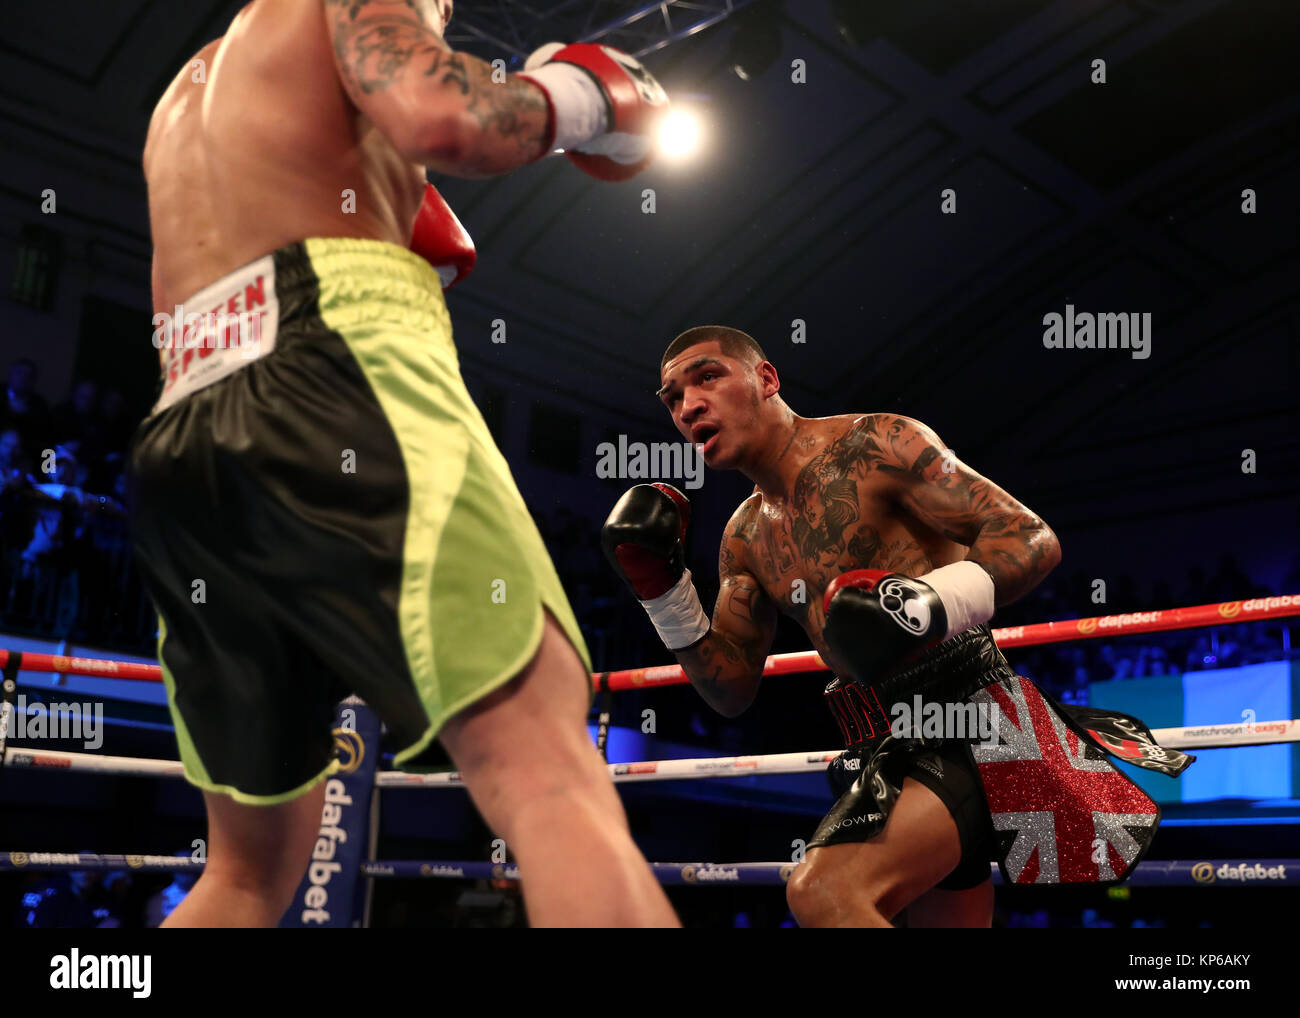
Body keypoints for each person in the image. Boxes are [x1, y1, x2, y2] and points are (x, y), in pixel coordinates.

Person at [130, 0, 677, 927]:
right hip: (337, 360)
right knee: (549, 781)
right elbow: (445, 117)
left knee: (244, 879)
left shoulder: (184, 98)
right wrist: (590, 95)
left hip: (187, 426)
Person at [603, 325, 1191, 928]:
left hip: (970, 719)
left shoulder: (876, 444)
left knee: (822, 892)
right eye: (672, 397)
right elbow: (729, 688)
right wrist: (665, 594)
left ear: (767, 378)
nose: (688, 405)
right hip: (878, 744)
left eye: (707, 376)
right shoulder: (744, 536)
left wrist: (928, 605)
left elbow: (1030, 536)